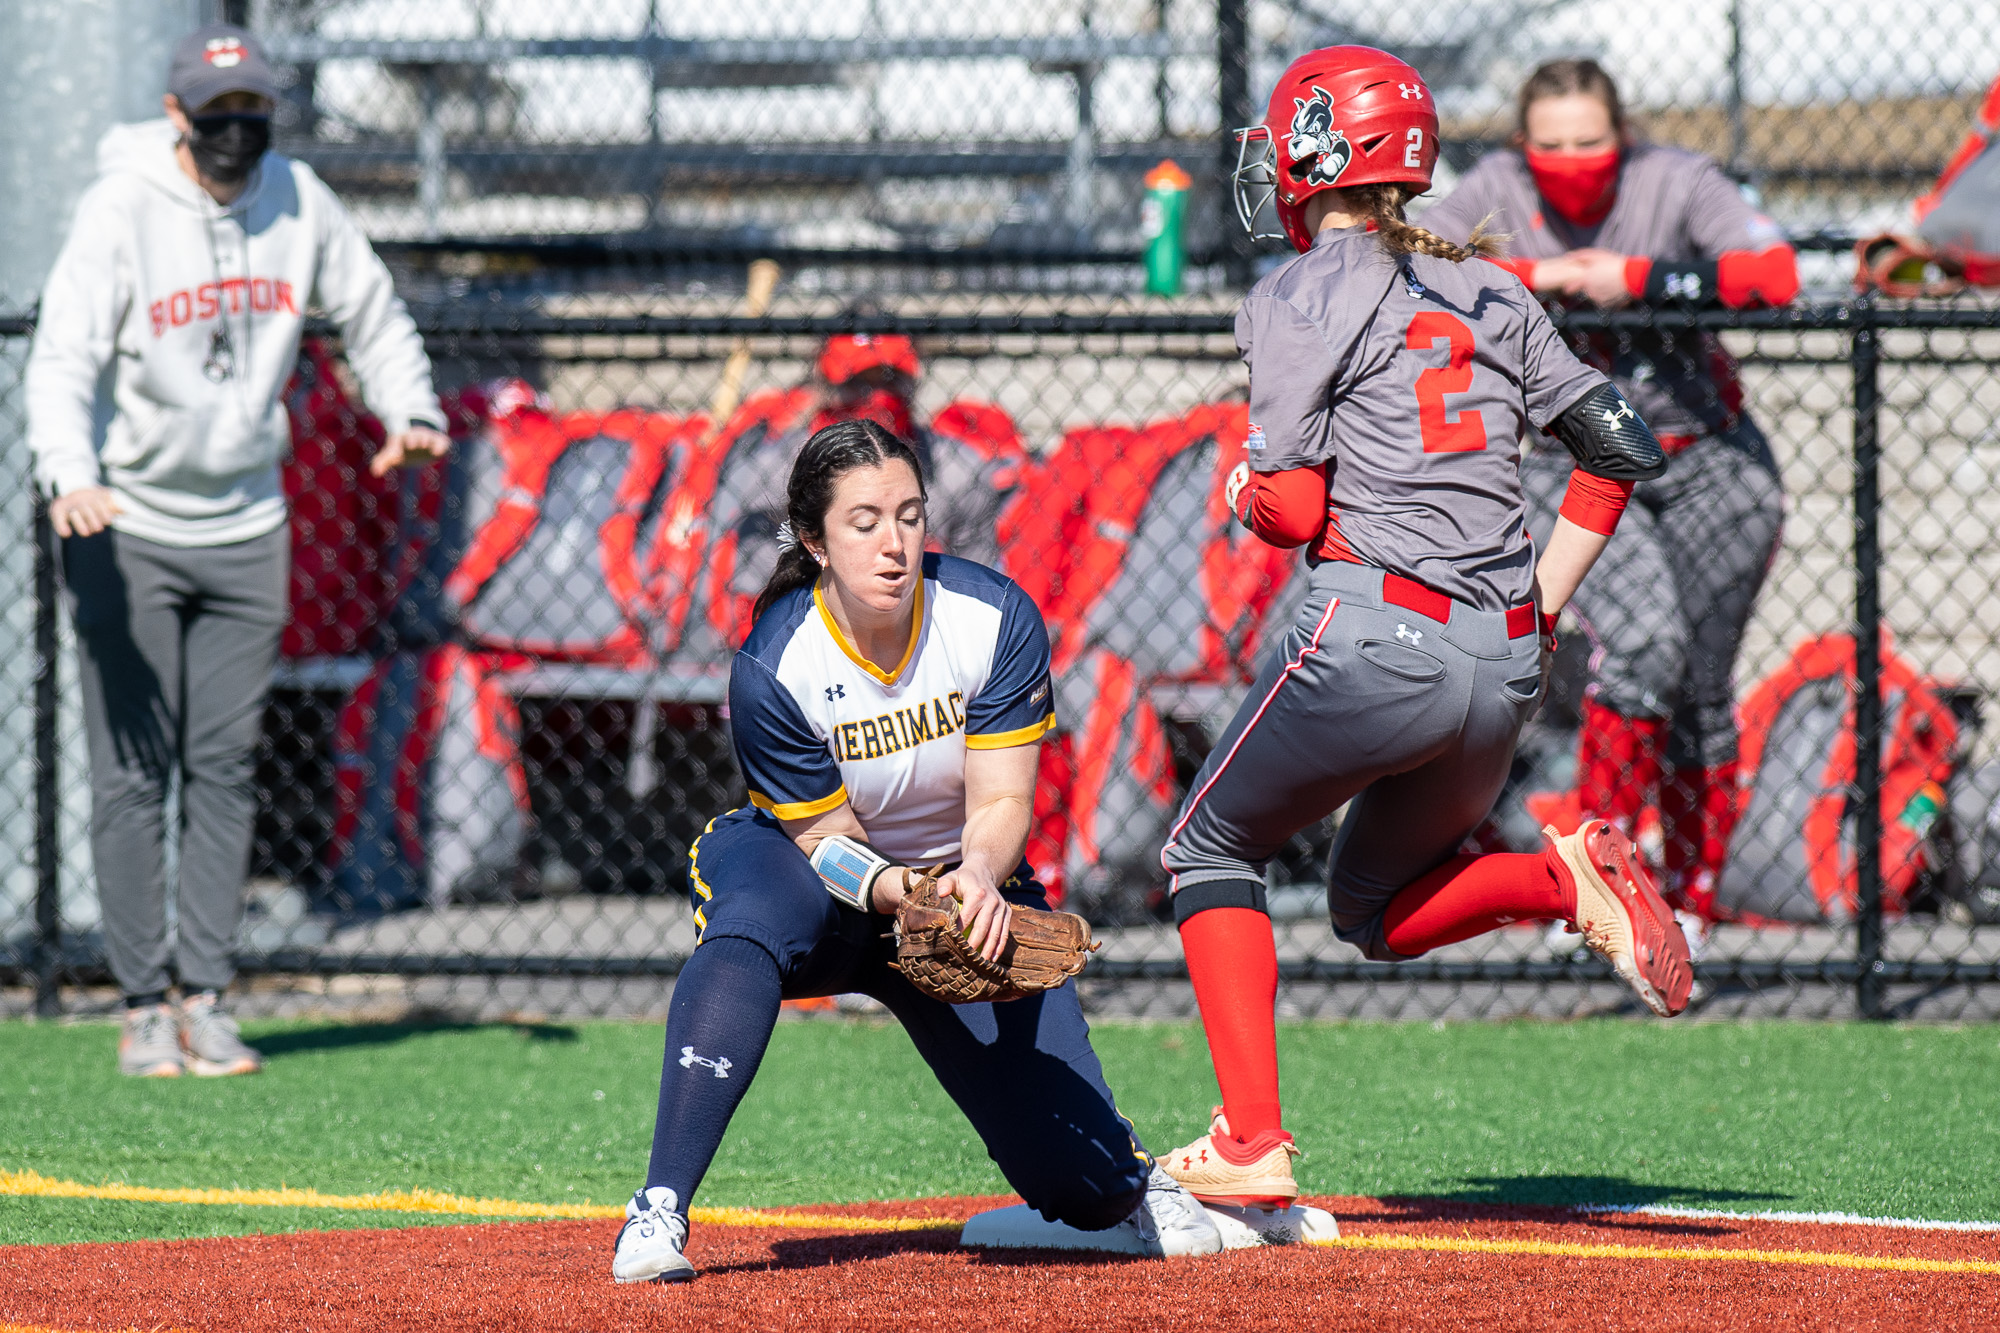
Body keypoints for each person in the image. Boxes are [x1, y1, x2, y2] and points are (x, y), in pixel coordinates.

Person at [1153, 46, 1692, 1210]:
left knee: (1206, 848)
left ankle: (1250, 1139)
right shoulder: (1489, 285)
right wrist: (1539, 606)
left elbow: (1292, 509)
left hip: (1373, 636)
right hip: (1502, 660)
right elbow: (1616, 446)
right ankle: (1559, 881)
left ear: (1316, 154)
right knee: (1369, 910)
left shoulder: (1296, 292)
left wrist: (1243, 486)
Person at [611, 420, 1220, 1283]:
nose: (893, 544)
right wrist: (900, 889)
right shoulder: (776, 660)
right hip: (816, 881)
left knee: (1094, 1192)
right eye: (863, 522)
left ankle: (1124, 1178)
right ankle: (658, 1207)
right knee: (752, 918)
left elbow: (1003, 799)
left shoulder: (991, 616)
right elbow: (825, 841)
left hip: (956, 893)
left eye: (908, 515)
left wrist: (976, 876)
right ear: (815, 541)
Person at [25, 24, 449, 1077]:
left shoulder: (298, 198)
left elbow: (373, 312)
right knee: (133, 772)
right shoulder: (121, 207)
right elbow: (62, 355)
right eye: (217, 113)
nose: (236, 129)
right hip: (126, 526)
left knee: (224, 767)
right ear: (177, 114)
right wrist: (69, 473)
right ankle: (141, 1007)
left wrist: (410, 406)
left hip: (248, 527)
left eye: (252, 109)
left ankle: (206, 999)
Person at [1419, 59, 1796, 948]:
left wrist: (1639, 276)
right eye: (1550, 146)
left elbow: (1773, 274)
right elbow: (1409, 264)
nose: (1571, 161)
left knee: (1701, 689)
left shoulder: (1676, 179)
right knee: (1643, 649)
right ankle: (1597, 886)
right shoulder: (1495, 187)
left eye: (1589, 142)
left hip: (1707, 459)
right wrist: (1536, 276)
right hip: (1573, 463)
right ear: (1523, 144)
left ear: (1621, 136)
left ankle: (1690, 901)